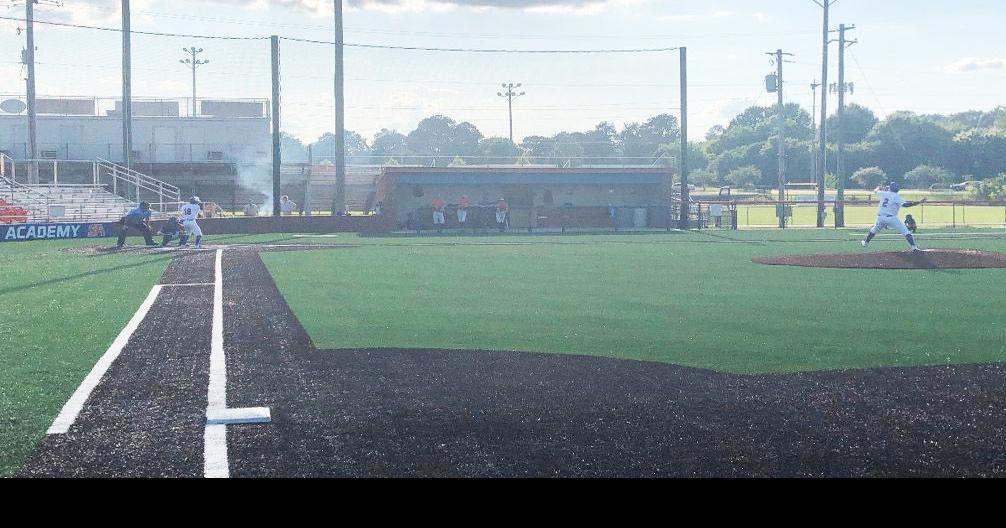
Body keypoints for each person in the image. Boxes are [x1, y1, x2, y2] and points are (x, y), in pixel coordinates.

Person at [862, 182, 927, 252]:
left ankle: (866, 243)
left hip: (880, 218)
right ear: (898, 189)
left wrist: (879, 187)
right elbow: (906, 205)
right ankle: (914, 247)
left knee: (873, 230)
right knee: (906, 232)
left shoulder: (883, 193)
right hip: (891, 218)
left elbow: (875, 191)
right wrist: (918, 202)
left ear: (890, 188)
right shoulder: (896, 196)